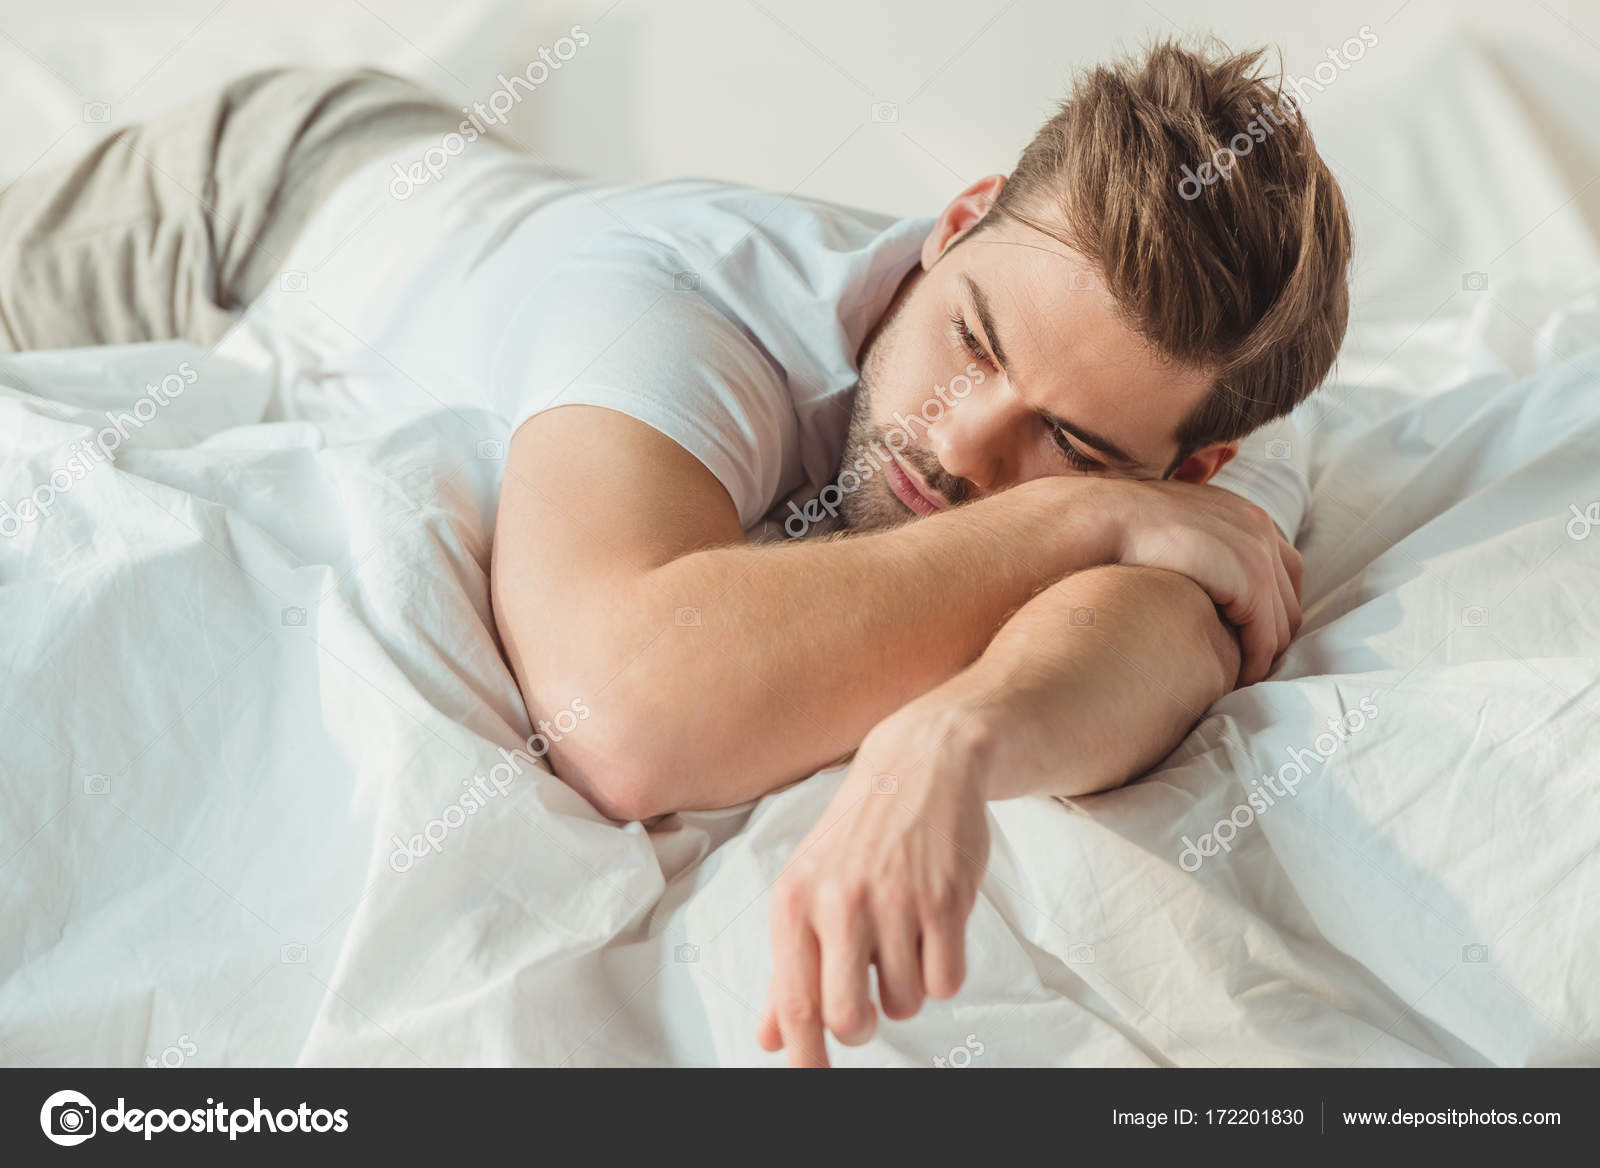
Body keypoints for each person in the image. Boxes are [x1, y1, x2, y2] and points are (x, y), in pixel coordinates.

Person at [0, 39, 1350, 1067]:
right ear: (959, 222)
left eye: (1065, 439)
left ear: (1204, 466)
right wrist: (1076, 511)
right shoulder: (688, 305)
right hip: (242, 209)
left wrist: (955, 741)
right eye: (974, 343)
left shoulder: (1202, 412)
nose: (956, 445)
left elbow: (1170, 629)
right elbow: (620, 711)